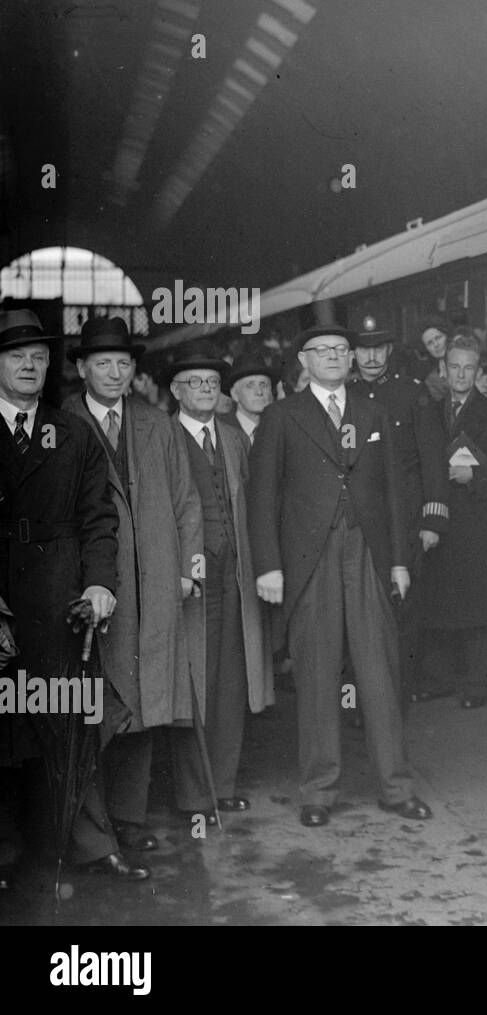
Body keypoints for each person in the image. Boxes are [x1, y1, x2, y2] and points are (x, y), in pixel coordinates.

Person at [249, 324, 431, 827]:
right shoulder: (281, 416)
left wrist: (397, 559)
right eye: (321, 350)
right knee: (317, 673)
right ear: (303, 362)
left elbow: (394, 492)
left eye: (341, 350)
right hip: (311, 558)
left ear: (352, 359)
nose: (333, 356)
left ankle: (396, 787)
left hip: (367, 553)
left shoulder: (375, 413)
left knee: (380, 672)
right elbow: (262, 496)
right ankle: (317, 791)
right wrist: (268, 565)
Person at [0, 310, 147, 884]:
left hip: (64, 601)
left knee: (73, 722)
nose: (30, 365)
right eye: (17, 357)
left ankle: (91, 845)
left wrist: (99, 584)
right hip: (6, 602)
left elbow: (99, 520)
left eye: (38, 356)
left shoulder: (74, 432)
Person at [64, 317, 203, 855]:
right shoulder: (64, 423)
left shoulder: (155, 422)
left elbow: (187, 500)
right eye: (104, 363)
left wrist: (190, 567)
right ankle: (87, 827)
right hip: (98, 590)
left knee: (147, 700)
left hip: (159, 582)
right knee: (102, 705)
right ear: (81, 369)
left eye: (124, 363)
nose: (116, 372)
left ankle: (129, 817)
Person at [164, 346, 273, 824]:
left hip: (233, 576)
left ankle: (222, 786)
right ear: (175, 391)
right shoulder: (162, 438)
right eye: (196, 382)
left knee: (231, 680)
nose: (206, 389)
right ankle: (193, 796)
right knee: (194, 685)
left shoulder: (231, 438)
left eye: (211, 382)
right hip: (190, 582)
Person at [348, 316, 449, 703]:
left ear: (389, 350)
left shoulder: (413, 392)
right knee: (361, 611)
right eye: (363, 348)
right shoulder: (345, 394)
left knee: (404, 611)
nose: (371, 357)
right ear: (353, 352)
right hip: (358, 522)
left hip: (405, 521)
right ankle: (363, 699)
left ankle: (399, 698)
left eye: (379, 348)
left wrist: (432, 519)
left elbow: (433, 459)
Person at [418, 333, 487, 708]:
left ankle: (478, 685)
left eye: (468, 368)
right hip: (442, 520)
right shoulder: (430, 409)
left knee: (477, 607)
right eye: (454, 367)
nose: (460, 375)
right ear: (443, 369)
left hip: (477, 523)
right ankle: (440, 679)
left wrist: (475, 477)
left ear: (478, 371)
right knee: (440, 600)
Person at [221, 355, 277, 445]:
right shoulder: (219, 430)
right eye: (250, 386)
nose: (259, 392)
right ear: (235, 394)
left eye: (264, 385)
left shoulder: (279, 428)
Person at [419, 314, 452, 401]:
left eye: (438, 338)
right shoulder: (431, 380)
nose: (436, 345)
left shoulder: (468, 361)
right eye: (430, 343)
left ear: (447, 336)